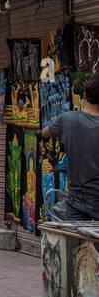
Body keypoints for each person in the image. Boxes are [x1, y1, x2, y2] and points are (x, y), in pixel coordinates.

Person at [42, 77, 99, 219]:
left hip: (75, 199)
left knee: (78, 240)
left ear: (84, 95)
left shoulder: (67, 119)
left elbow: (45, 132)